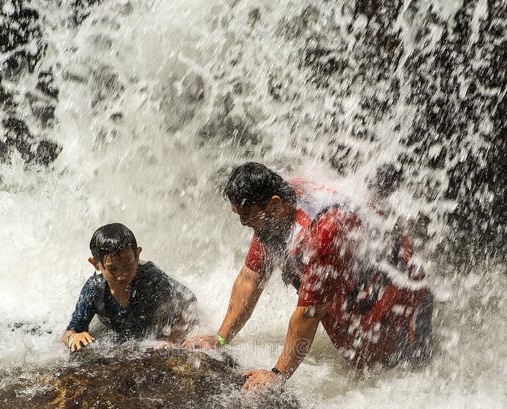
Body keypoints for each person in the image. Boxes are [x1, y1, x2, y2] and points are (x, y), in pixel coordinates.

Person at [184, 162, 433, 391]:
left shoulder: (322, 231)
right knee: (361, 366)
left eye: (247, 217)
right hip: (360, 296)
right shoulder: (276, 211)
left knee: (400, 381)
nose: (243, 223)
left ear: (274, 205)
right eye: (240, 216)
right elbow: (250, 278)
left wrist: (277, 375)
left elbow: (308, 313)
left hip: (402, 309)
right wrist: (220, 338)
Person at [63, 223, 196, 352]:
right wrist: (73, 337)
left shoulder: (151, 278)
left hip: (158, 322)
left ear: (137, 255)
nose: (121, 276)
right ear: (96, 264)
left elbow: (189, 300)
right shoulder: (95, 289)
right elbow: (71, 330)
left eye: (127, 266)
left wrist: (172, 340)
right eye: (112, 269)